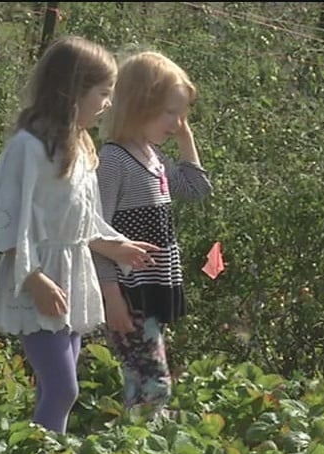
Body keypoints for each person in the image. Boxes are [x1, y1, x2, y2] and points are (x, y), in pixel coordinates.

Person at [0, 36, 159, 434]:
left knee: (57, 387)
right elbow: (6, 223)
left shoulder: (80, 145)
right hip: (38, 278)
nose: (107, 103)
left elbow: (81, 218)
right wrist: (33, 277)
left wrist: (116, 246)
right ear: (72, 91)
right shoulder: (28, 147)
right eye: (103, 93)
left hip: (72, 278)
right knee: (62, 389)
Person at [92, 51, 213, 417]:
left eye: (182, 115)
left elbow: (196, 189)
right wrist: (112, 297)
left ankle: (137, 447)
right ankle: (144, 449)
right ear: (139, 105)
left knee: (142, 379)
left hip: (152, 288)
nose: (177, 124)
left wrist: (185, 137)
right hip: (130, 292)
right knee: (152, 382)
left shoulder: (153, 156)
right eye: (169, 113)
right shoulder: (114, 160)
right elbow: (97, 233)